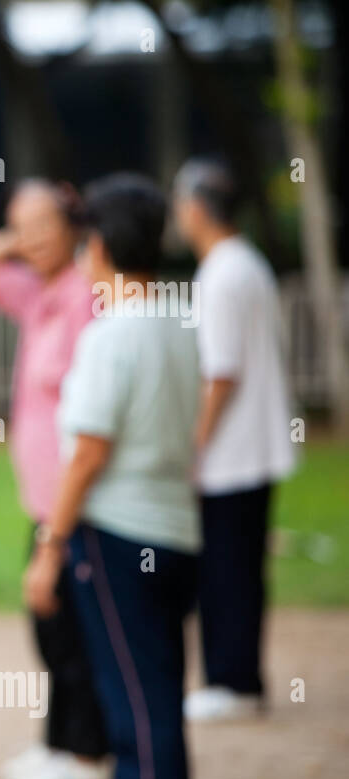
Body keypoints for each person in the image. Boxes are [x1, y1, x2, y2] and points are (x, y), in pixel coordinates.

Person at [25, 173, 201, 779]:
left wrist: (50, 545)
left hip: (120, 538)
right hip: (178, 531)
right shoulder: (181, 324)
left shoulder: (109, 334)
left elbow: (88, 451)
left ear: (95, 246)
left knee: (135, 705)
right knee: (156, 697)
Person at [0, 180, 109, 779]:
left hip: (75, 500)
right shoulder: (38, 292)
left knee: (69, 630)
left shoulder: (83, 295)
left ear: (73, 222)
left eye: (44, 224)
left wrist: (51, 222)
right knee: (52, 629)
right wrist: (19, 237)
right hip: (43, 499)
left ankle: (84, 751)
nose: (32, 238)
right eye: (20, 226)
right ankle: (62, 743)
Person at [172, 159, 297, 723]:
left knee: (225, 569)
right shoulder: (249, 262)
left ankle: (232, 680)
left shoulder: (220, 273)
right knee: (242, 565)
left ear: (196, 208)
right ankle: (238, 676)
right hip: (258, 444)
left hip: (230, 451)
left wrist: (192, 445)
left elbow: (219, 372)